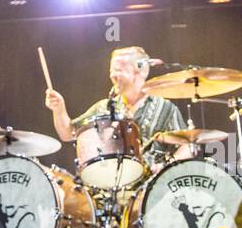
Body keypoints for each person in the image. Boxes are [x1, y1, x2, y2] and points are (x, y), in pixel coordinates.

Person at [44, 46, 186, 169]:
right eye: (111, 70)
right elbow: (68, 133)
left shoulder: (165, 108)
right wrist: (59, 110)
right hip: (112, 188)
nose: (112, 75)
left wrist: (165, 167)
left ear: (141, 71)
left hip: (154, 189)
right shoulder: (104, 107)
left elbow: (187, 146)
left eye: (118, 70)